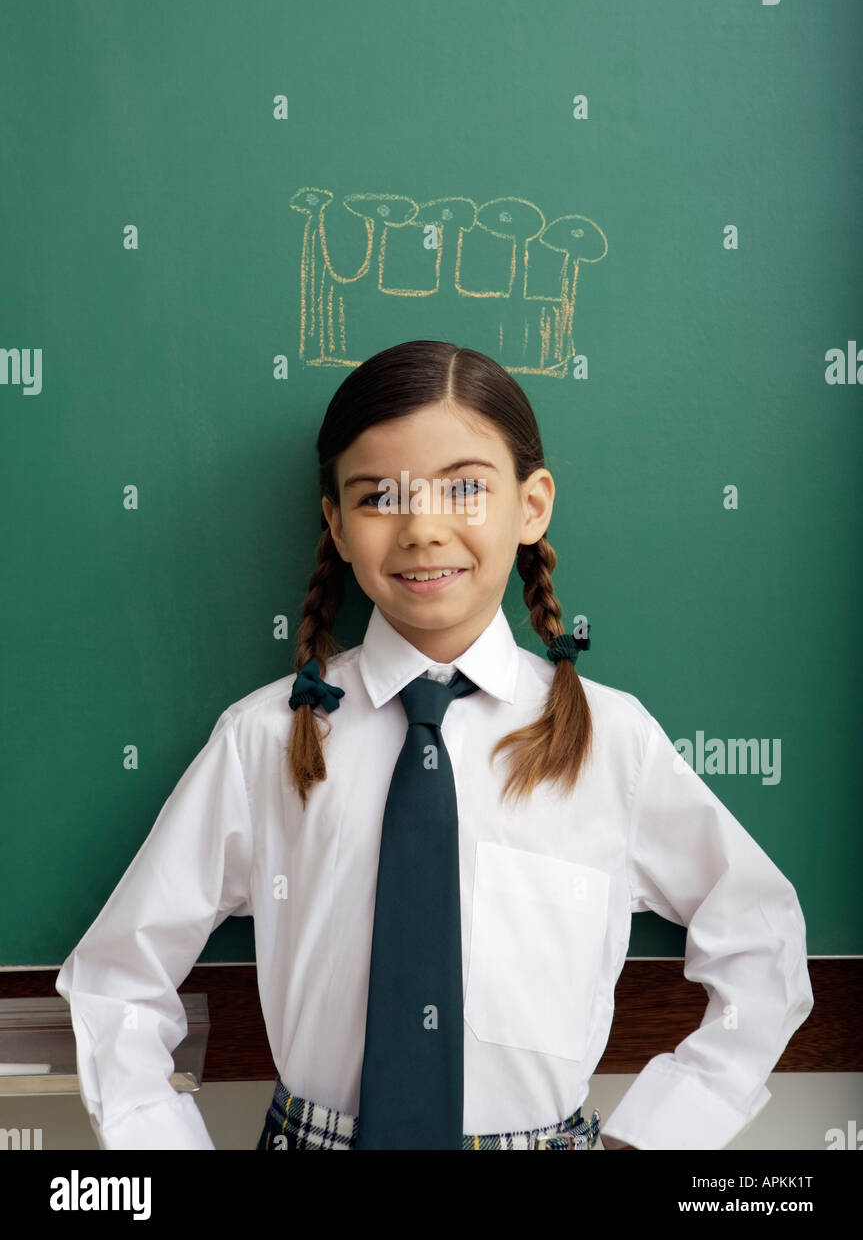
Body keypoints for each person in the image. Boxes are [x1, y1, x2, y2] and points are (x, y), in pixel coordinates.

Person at [55, 340, 814, 1151]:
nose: (422, 528)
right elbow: (117, 981)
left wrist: (662, 1133)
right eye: (379, 495)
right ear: (336, 526)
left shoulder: (608, 740)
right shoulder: (268, 738)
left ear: (531, 505)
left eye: (463, 487)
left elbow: (759, 936)